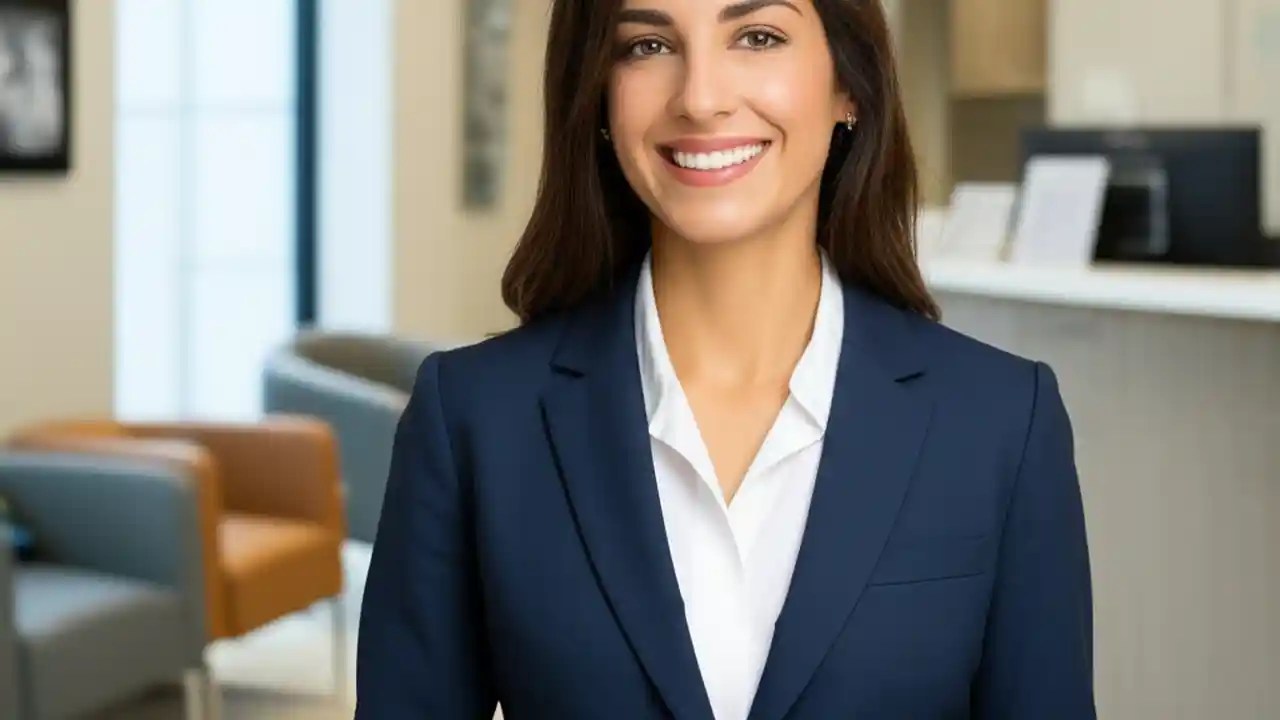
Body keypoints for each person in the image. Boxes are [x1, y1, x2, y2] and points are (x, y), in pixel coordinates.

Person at [355, 0, 1095, 718]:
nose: (701, 98)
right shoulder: (476, 420)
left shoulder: (1000, 421)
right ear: (600, 98)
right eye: (647, 45)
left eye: (759, 36)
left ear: (849, 86)